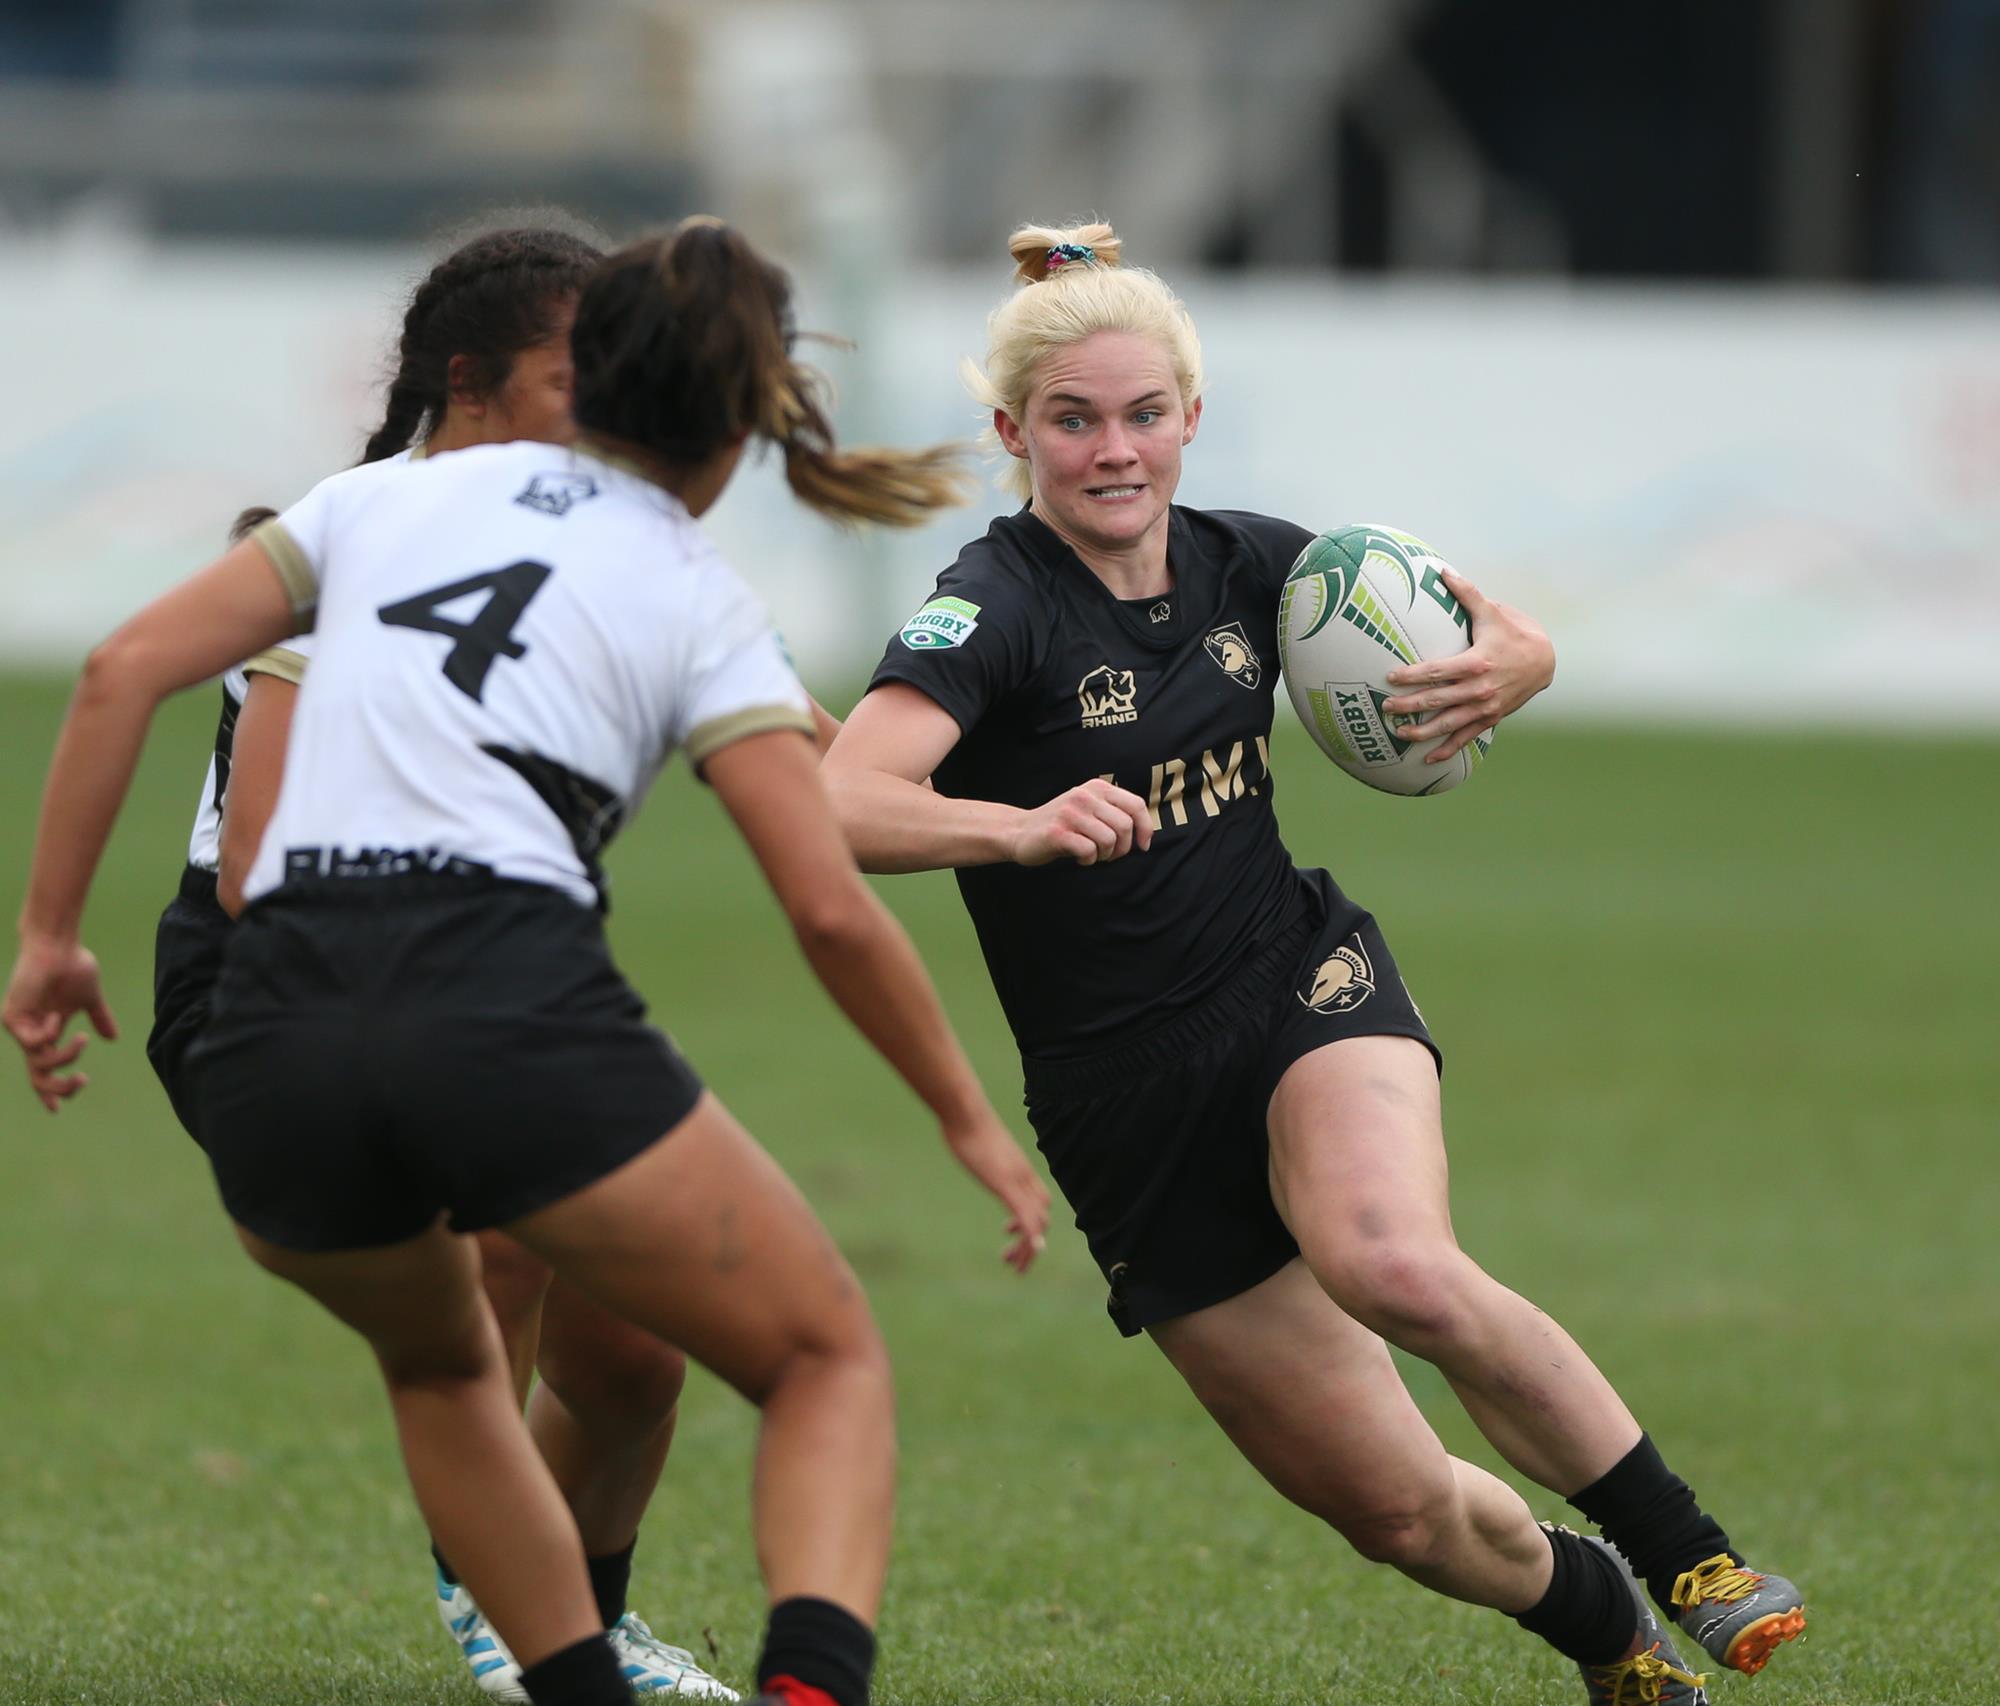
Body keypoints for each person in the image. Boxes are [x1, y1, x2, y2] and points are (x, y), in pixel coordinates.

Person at [5, 216, 1051, 1706]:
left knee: (594, 1356)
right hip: (399, 980)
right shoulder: (635, 568)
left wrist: (1003, 826)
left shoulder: (390, 521)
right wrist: (964, 1116)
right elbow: (819, 892)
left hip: (297, 1036)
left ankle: (574, 1646)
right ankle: (741, 1670)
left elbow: (116, 670)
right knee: (822, 1357)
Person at [820, 221, 1805, 1705]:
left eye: (1145, 414)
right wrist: (1012, 827)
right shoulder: (995, 603)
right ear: (1013, 432)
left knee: (1392, 1260)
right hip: (1123, 1106)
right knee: (1400, 1509)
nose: (1114, 451)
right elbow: (842, 797)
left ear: (1191, 416)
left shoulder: (1254, 563)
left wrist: (1518, 665)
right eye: (1074, 421)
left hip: (1299, 989)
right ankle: (1601, 1614)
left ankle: (1693, 1554)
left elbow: (1508, 627)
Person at [144, 223, 735, 1701]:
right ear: (475, 386)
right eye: (577, 371)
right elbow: (249, 856)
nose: (609, 400)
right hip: (273, 973)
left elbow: (776, 757)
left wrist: (990, 803)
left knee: (634, 1360)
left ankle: (591, 1624)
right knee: (510, 1226)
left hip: (465, 965)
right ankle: (500, 1601)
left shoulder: (570, 528)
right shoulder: (354, 530)